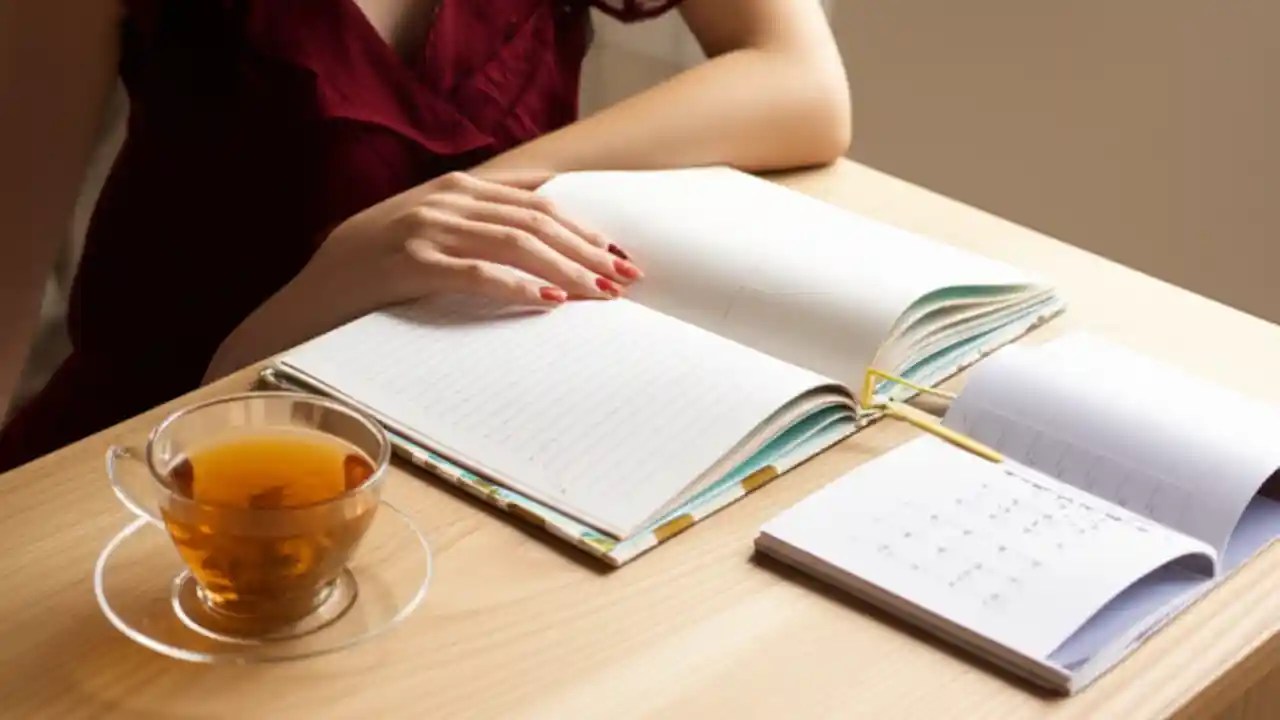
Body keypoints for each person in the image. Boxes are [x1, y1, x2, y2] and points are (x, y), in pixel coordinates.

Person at [0, 0, 850, 471]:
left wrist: (462, 203)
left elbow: (803, 84)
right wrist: (342, 273)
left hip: (464, 436)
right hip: (159, 466)